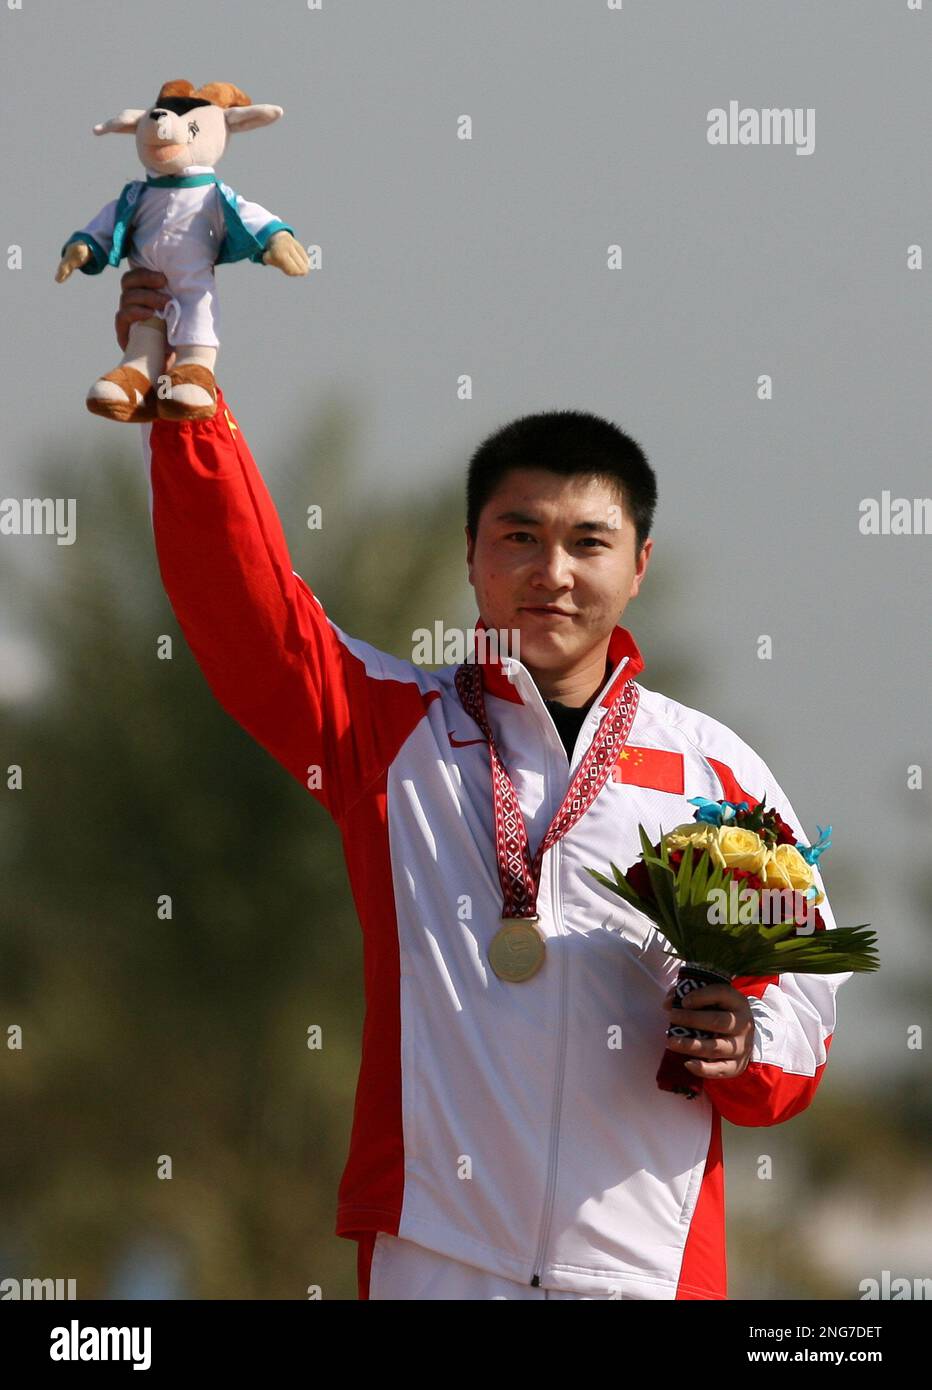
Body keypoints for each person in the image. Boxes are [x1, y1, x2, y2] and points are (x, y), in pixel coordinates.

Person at [118, 268, 848, 1300]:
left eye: (587, 541)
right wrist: (188, 390)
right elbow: (247, 616)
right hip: (436, 1256)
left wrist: (740, 1044)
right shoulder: (386, 726)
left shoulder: (714, 775)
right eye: (519, 537)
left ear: (638, 563)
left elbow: (804, 1021)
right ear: (470, 555)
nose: (551, 570)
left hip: (642, 1267)